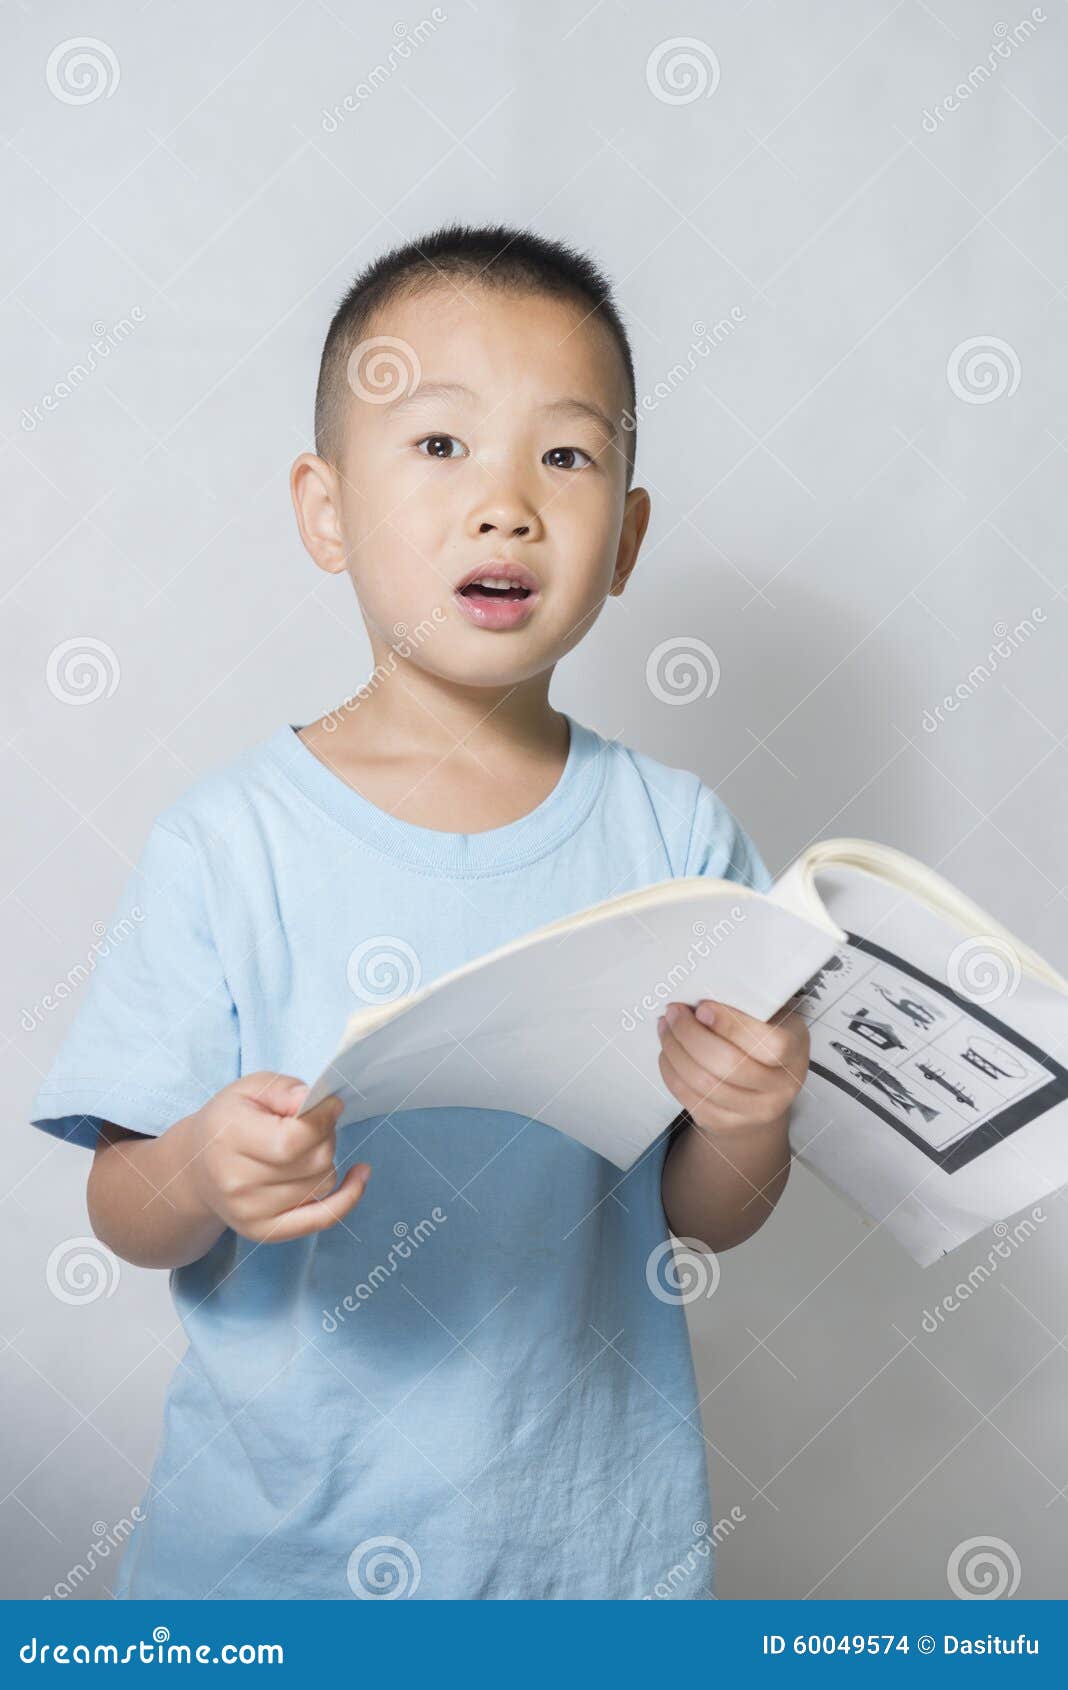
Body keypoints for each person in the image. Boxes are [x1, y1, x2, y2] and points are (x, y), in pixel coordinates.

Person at [30, 223, 810, 1600]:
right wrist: (205, 1169)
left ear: (626, 535)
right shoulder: (229, 843)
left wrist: (749, 1119)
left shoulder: (678, 837)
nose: (506, 503)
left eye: (565, 456)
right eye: (441, 446)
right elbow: (124, 1205)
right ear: (325, 508)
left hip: (591, 1559)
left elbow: (705, 1213)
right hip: (272, 1571)